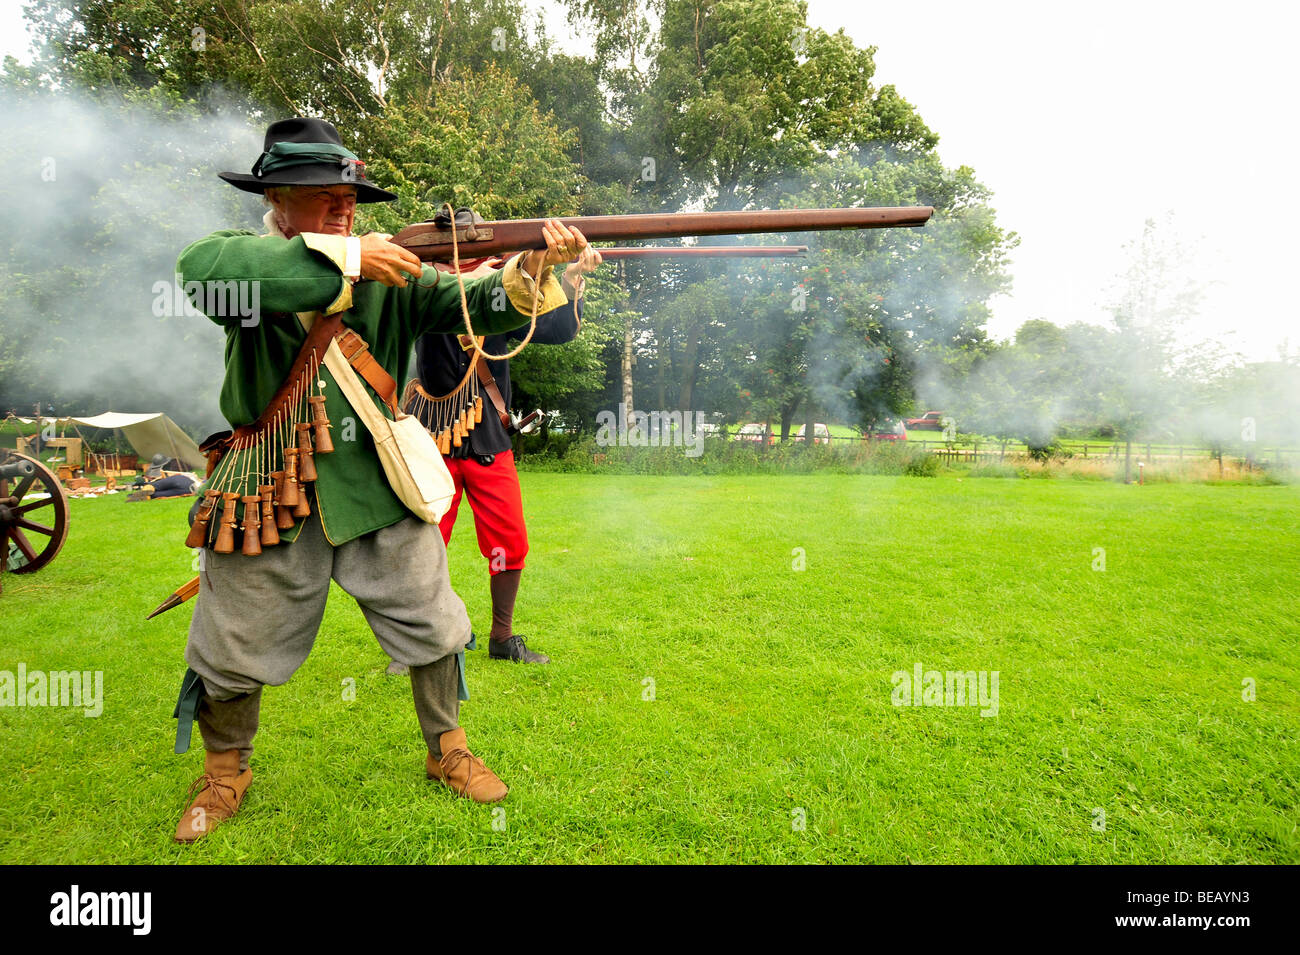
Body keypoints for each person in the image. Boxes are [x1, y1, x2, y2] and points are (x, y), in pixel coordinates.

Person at [171, 117, 590, 842]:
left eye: (349, 197)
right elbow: (206, 278)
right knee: (230, 643)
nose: (343, 207)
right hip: (268, 482)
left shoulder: (393, 268)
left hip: (378, 480)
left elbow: (478, 303)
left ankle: (448, 748)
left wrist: (529, 269)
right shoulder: (241, 260)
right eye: (323, 195)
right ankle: (224, 770)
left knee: (435, 624)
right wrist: (346, 258)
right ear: (276, 197)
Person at [403, 245, 602, 665]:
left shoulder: (503, 291)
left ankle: (501, 637)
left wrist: (568, 279)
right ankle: (420, 641)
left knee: (509, 543)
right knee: (423, 543)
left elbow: (555, 329)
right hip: (432, 438)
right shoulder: (421, 288)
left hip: (489, 437)